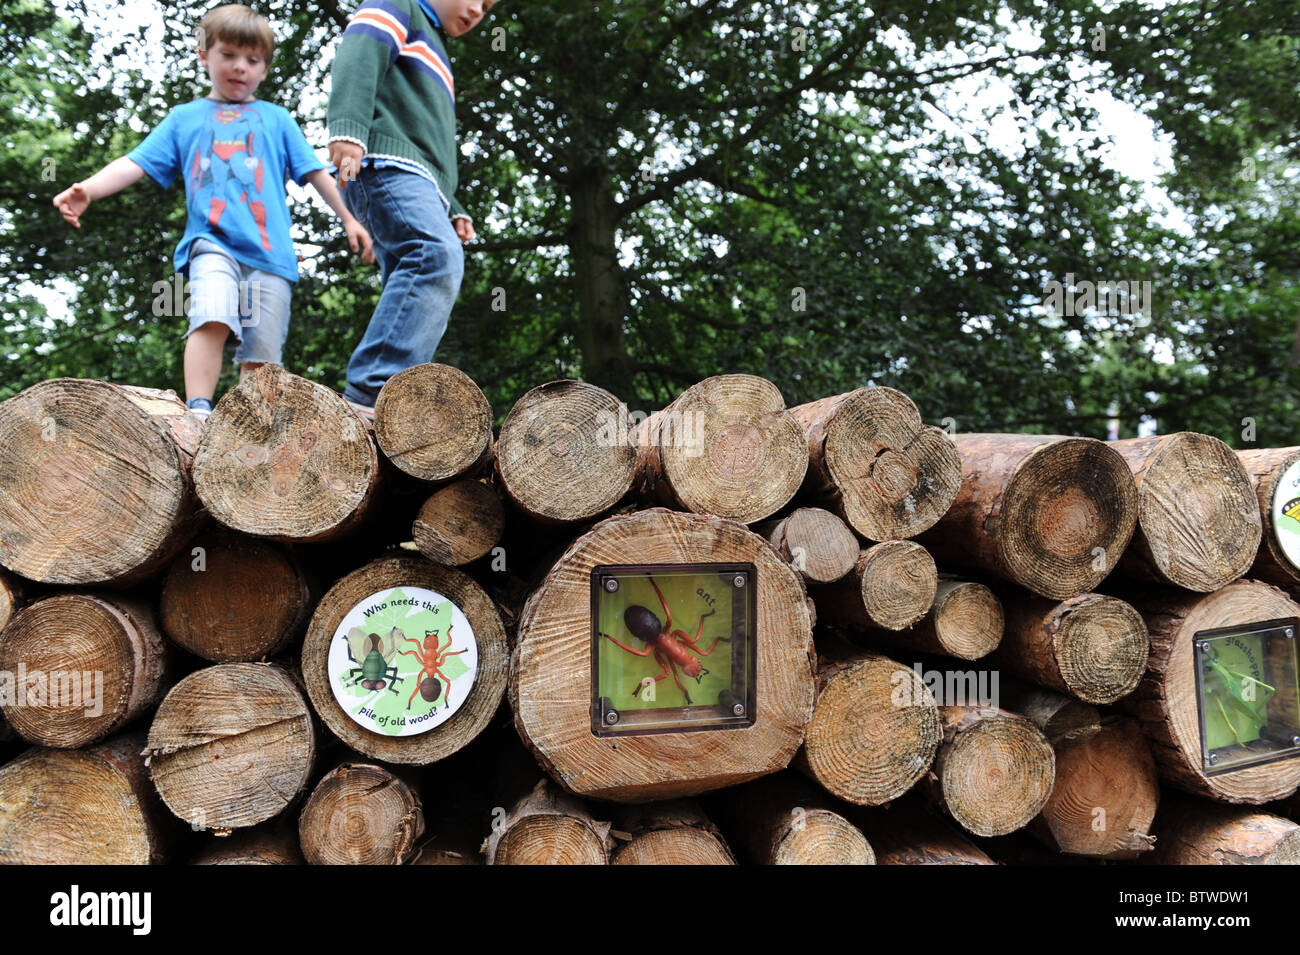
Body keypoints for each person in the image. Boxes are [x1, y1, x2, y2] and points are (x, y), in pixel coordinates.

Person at [52, 4, 374, 420]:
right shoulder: (184, 119)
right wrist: (88, 190)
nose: (240, 67)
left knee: (262, 352)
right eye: (228, 55)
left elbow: (315, 173)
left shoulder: (276, 120)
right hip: (212, 243)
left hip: (271, 254)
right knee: (212, 314)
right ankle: (198, 412)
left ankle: (251, 427)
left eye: (252, 60)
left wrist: (350, 218)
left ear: (264, 68)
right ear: (205, 55)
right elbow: (135, 162)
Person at [327, 0, 491, 419]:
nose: (477, 10)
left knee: (410, 277)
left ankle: (386, 396)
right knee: (434, 256)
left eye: (488, 7)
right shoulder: (398, 5)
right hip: (384, 164)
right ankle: (372, 392)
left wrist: (452, 207)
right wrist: (348, 127)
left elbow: (432, 148)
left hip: (418, 179)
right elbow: (360, 51)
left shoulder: (437, 48)